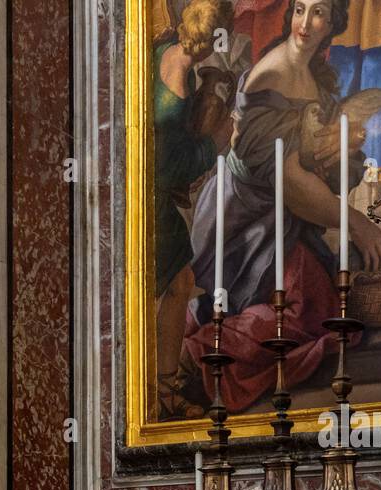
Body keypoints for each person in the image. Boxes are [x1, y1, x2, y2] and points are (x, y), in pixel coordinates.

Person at [185, 0, 381, 413]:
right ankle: (201, 355)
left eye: (318, 12)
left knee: (319, 301)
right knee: (303, 313)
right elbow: (289, 180)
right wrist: (356, 222)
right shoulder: (272, 76)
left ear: (333, 22)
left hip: (282, 221)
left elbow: (318, 164)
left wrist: (337, 153)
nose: (305, 22)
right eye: (300, 9)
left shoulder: (317, 77)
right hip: (241, 224)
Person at [152, 0, 235, 419]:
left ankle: (162, 385)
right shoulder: (178, 78)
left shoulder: (158, 53)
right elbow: (167, 165)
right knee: (175, 284)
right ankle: (163, 391)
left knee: (177, 283)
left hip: (153, 202)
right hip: (155, 203)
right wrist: (214, 146)